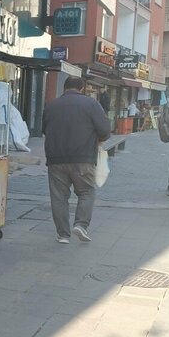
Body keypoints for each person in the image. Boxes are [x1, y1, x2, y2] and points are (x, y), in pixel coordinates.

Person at [42, 77, 111, 243]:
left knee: (59, 197)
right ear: (82, 88)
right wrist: (98, 139)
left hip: (55, 159)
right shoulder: (91, 104)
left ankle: (63, 235)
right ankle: (80, 225)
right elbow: (105, 130)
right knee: (86, 192)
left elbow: (43, 130)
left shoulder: (51, 105)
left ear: (64, 88)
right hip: (83, 158)